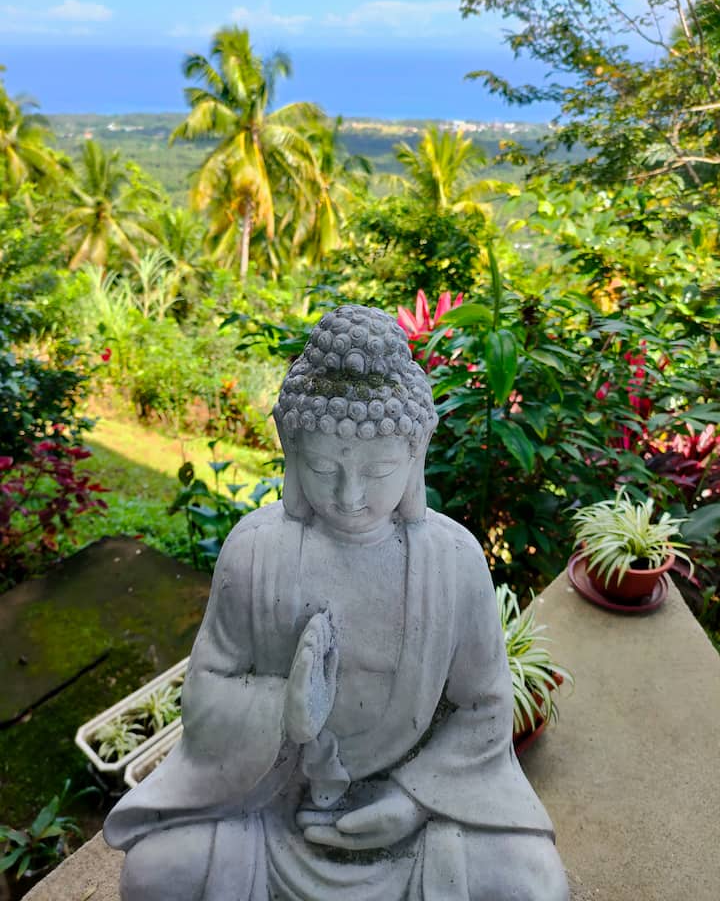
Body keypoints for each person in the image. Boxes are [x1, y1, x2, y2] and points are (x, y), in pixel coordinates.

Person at [104, 304, 569, 901]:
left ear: (415, 454)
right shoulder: (256, 550)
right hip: (275, 809)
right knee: (155, 873)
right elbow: (205, 693)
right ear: (292, 450)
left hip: (408, 822)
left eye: (378, 471)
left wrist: (409, 801)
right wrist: (282, 709)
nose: (351, 496)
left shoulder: (451, 561)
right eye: (324, 467)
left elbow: (481, 709)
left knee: (531, 885)